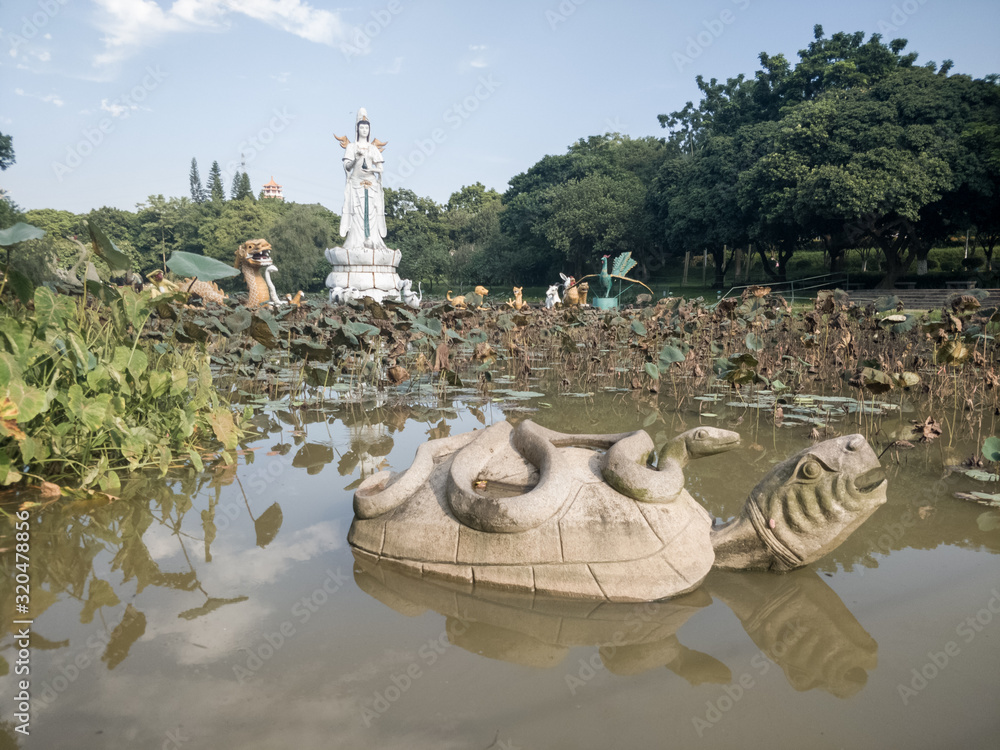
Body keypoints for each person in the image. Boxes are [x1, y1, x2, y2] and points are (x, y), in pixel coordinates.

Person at [340, 108, 387, 251]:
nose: (364, 130)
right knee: (356, 212)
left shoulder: (373, 149)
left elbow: (380, 169)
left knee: (372, 212)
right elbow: (347, 167)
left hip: (371, 184)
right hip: (356, 184)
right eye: (362, 127)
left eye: (367, 128)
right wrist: (356, 159)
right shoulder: (351, 147)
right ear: (357, 129)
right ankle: (356, 242)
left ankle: (372, 240)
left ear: (369, 130)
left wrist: (371, 169)